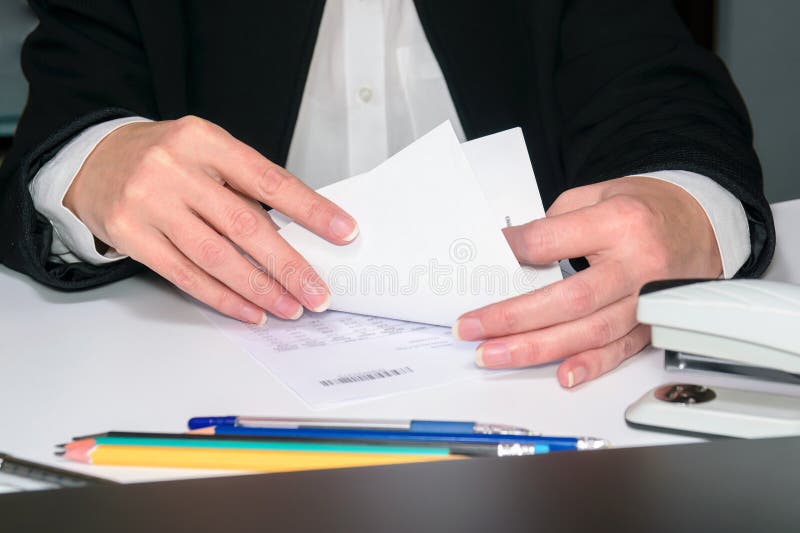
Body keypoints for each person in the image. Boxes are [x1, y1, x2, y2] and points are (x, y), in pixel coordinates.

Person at [0, 1, 774, 389]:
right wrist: (97, 162)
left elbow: (659, 89)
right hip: (189, 387)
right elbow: (68, 114)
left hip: (548, 386)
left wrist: (685, 210)